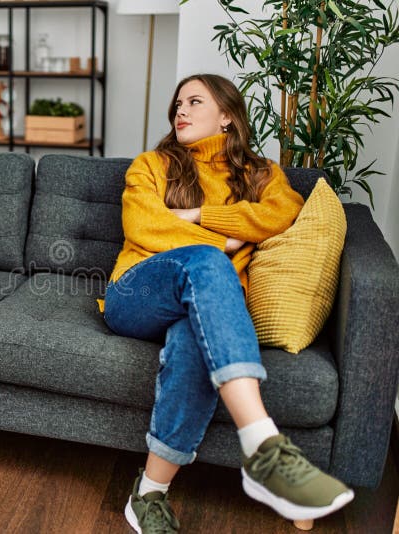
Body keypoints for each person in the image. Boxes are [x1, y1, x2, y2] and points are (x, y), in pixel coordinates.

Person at [102, 73, 353, 533]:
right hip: (136, 293)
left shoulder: (262, 175)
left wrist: (202, 214)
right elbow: (145, 226)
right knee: (204, 263)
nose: (180, 110)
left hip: (206, 305)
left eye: (195, 102)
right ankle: (263, 445)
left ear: (226, 117)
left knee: (194, 342)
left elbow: (284, 211)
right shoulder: (151, 165)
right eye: (178, 103)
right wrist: (226, 242)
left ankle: (150, 493)